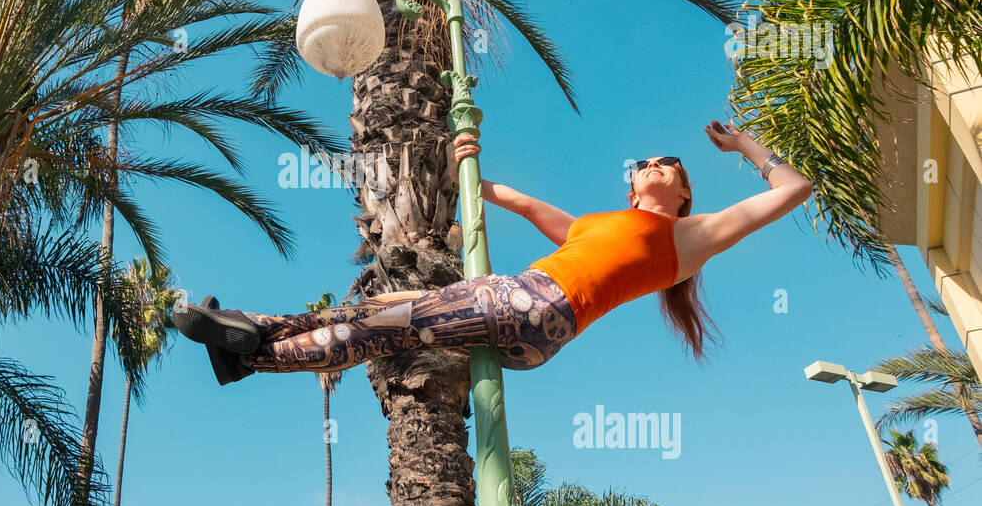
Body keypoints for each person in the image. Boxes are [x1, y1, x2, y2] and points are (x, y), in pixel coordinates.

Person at [172, 120, 814, 385]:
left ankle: (250, 355)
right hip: (527, 308)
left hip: (538, 308)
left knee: (389, 324)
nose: (656, 163)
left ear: (684, 194)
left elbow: (795, 188)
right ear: (631, 184)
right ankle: (248, 335)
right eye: (647, 161)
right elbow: (532, 208)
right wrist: (470, 169)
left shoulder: (688, 239)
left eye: (668, 164)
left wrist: (750, 148)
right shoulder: (598, 224)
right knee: (386, 307)